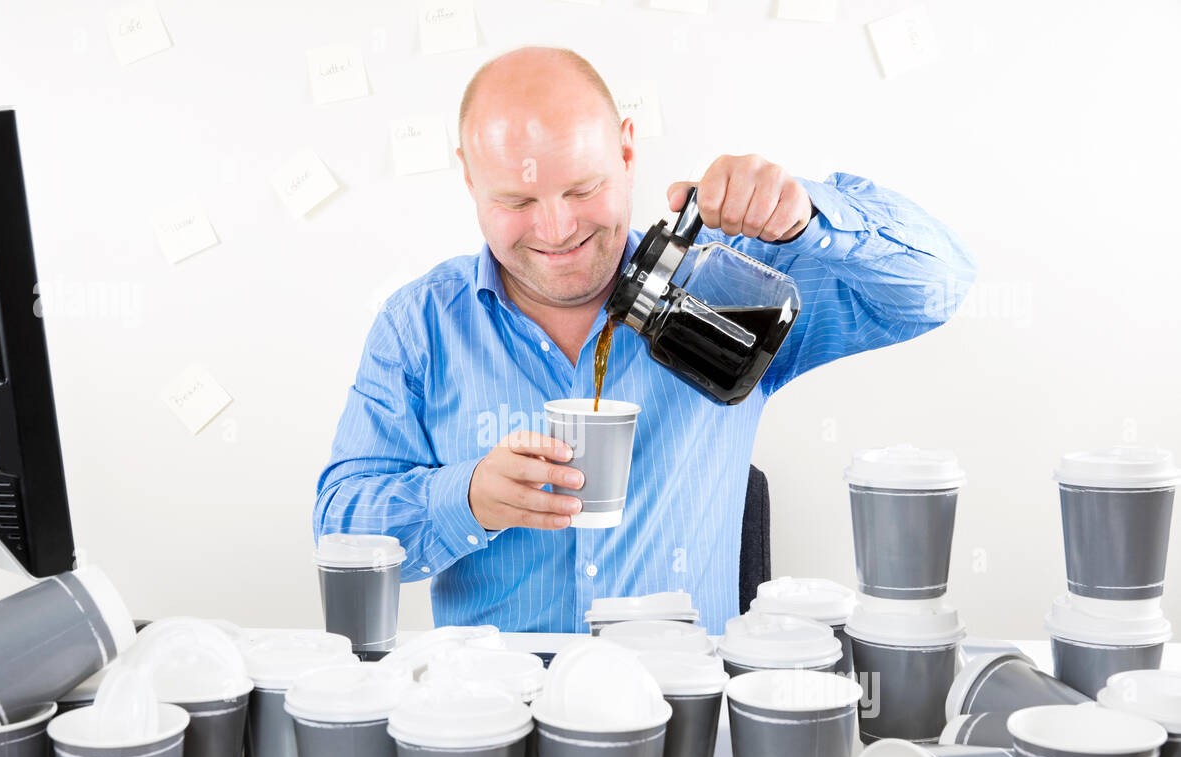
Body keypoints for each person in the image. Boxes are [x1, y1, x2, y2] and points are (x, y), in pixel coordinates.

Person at [315, 46, 976, 635]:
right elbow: (337, 526)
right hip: (496, 724)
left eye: (583, 188)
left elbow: (939, 288)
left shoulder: (730, 284)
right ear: (468, 179)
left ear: (627, 151)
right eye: (517, 201)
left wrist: (806, 214)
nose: (555, 228)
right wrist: (463, 500)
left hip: (680, 714)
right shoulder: (422, 325)